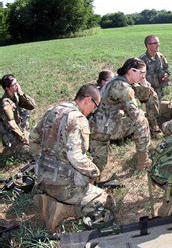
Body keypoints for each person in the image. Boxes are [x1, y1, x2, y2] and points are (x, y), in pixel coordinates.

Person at [30, 84, 113, 228]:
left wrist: (42, 162)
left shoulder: (53, 110)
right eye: (95, 106)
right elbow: (75, 157)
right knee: (106, 201)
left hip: (42, 178)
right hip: (63, 185)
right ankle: (64, 210)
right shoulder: (77, 119)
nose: (94, 111)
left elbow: (33, 139)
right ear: (87, 100)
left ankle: (48, 199)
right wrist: (94, 172)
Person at [89, 58, 151, 171]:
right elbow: (134, 114)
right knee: (142, 120)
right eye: (142, 72)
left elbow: (144, 95)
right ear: (131, 71)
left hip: (95, 127)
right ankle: (143, 162)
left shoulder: (116, 80)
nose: (143, 75)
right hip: (107, 129)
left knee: (98, 165)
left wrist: (143, 81)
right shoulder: (124, 87)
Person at [0, 74, 36, 158]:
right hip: (10, 135)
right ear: (7, 88)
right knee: (30, 153)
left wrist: (21, 93)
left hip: (19, 131)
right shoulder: (6, 103)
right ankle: (12, 149)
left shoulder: (16, 96)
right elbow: (12, 124)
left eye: (17, 83)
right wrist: (24, 138)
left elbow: (32, 106)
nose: (17, 86)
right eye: (14, 85)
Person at [139, 35, 170, 100]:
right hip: (149, 92)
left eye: (158, 42)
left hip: (160, 90)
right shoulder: (142, 60)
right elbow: (139, 78)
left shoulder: (161, 56)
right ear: (148, 45)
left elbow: (166, 69)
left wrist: (166, 74)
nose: (158, 45)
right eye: (155, 43)